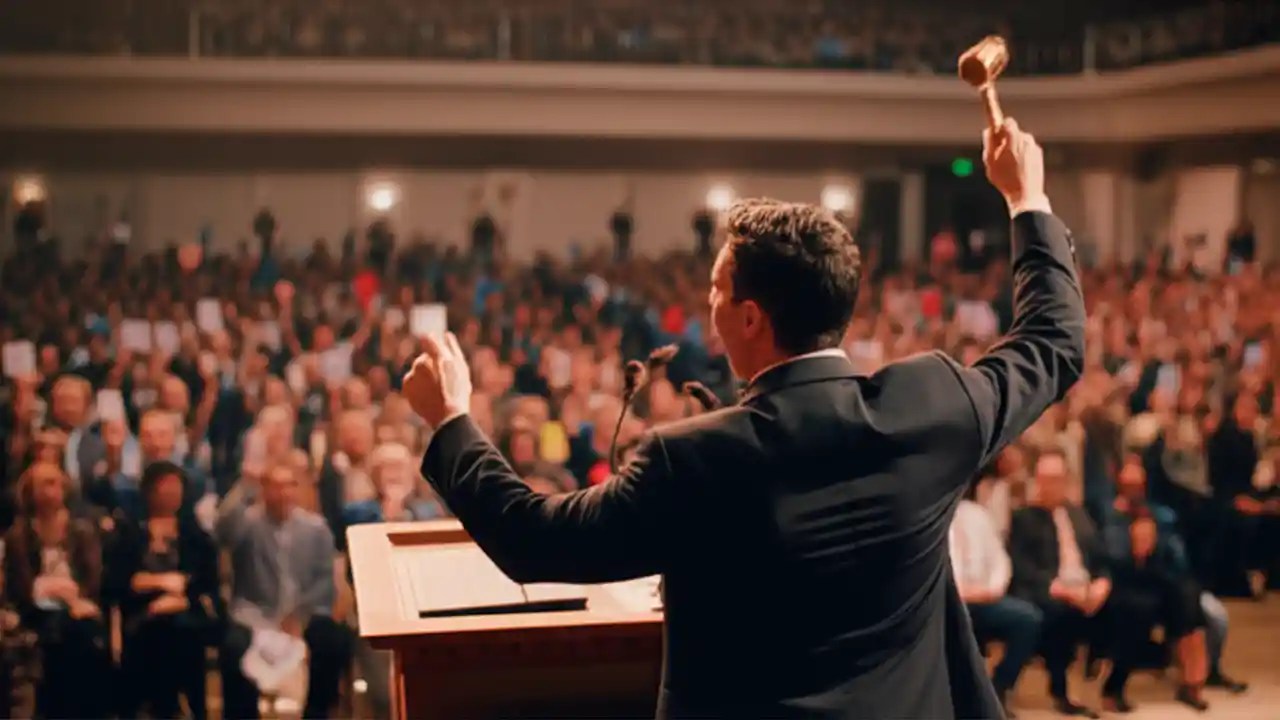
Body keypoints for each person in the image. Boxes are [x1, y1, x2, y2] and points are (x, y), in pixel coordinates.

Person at [400, 117, 1085, 718]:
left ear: (750, 318)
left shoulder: (692, 459)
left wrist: (453, 419)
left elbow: (533, 541)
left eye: (716, 290)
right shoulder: (931, 406)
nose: (709, 304)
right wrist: (1027, 196)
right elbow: (1054, 342)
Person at [215, 463, 351, 720]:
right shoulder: (248, 524)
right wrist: (244, 487)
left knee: (333, 641)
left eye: (289, 486)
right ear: (264, 490)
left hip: (302, 614)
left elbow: (323, 580)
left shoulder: (316, 529)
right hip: (255, 614)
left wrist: (300, 615)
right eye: (275, 486)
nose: (283, 493)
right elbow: (223, 530)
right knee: (233, 647)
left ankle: (316, 713)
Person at [109, 461, 222, 719]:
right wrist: (159, 586)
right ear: (149, 490)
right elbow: (118, 582)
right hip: (142, 612)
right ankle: (160, 706)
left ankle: (176, 707)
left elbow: (206, 582)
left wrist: (181, 597)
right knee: (156, 630)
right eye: (165, 486)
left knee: (179, 629)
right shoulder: (129, 532)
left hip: (185, 612)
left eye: (176, 486)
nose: (172, 492)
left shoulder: (195, 535)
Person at [1008, 449, 1114, 717]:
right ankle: (1061, 689)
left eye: (1056, 478)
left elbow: (1100, 557)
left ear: (1065, 480)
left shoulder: (1078, 515)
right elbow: (1022, 568)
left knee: (1127, 606)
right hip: (1047, 589)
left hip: (1084, 586)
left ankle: (1110, 686)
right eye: (1044, 478)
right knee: (1061, 613)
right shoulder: (1024, 517)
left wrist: (1102, 582)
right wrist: (1060, 588)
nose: (1050, 484)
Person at [949, 480, 1042, 718]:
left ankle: (998, 687)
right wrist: (961, 592)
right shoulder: (930, 518)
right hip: (948, 601)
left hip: (985, 597)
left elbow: (1001, 561)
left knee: (1028, 619)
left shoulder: (977, 514)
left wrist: (993, 589)